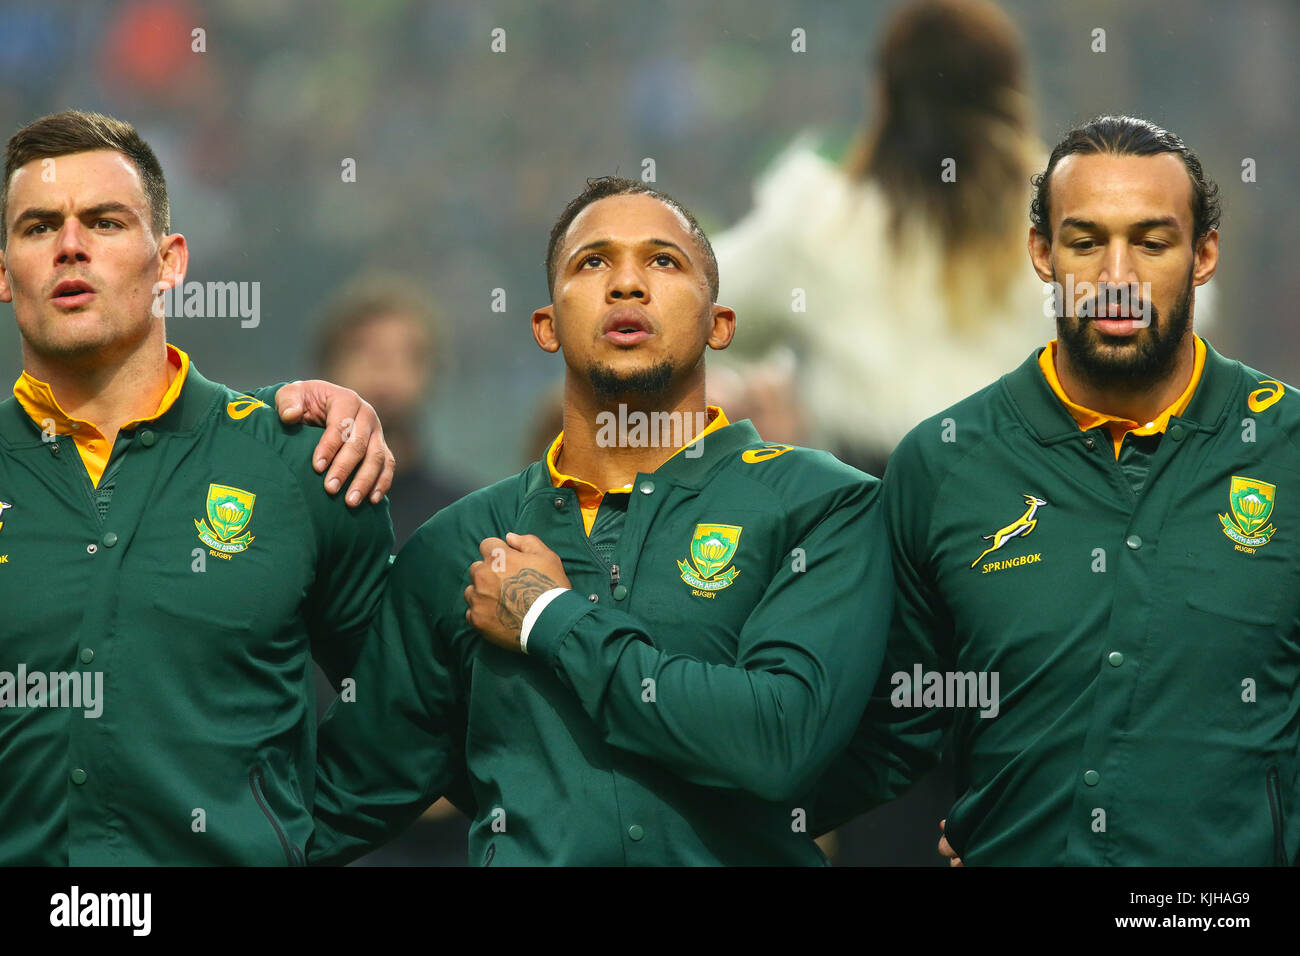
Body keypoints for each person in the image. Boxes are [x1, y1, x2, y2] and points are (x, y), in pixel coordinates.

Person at [309, 176, 894, 866]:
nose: (626, 284)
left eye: (663, 261)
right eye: (592, 262)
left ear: (721, 324)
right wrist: (261, 433)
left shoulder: (824, 504)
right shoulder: (457, 545)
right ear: (546, 325)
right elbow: (334, 804)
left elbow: (776, 746)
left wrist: (546, 615)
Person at [812, 115, 1298, 866]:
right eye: (1085, 241)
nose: (1116, 276)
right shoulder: (942, 467)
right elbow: (897, 721)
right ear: (1042, 253)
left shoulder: (1287, 448)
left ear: (1203, 256)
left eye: (1151, 241)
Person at [0, 109, 395, 865]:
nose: (71, 246)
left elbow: (401, 716)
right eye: (39, 226)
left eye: (107, 222)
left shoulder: (299, 464)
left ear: (171, 262)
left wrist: (285, 840)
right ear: (3, 271)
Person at [315, 275, 469, 548]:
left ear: (431, 374)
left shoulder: (463, 516)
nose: (384, 366)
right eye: (363, 350)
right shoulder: (290, 499)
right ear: (327, 368)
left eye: (406, 355)